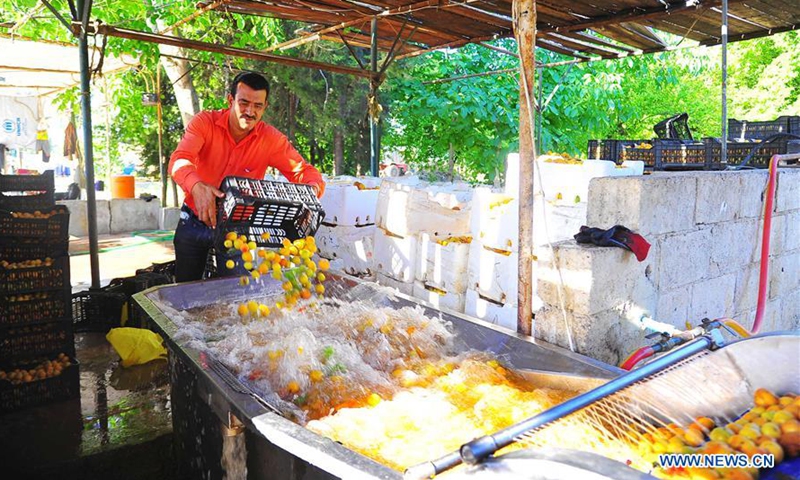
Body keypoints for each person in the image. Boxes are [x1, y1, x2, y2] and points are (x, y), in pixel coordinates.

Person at [169, 71, 325, 282]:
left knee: (236, 290)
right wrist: (196, 186)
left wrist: (311, 191)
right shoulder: (205, 122)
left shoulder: (271, 140)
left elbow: (304, 171)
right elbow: (180, 159)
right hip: (194, 220)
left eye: (258, 106)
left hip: (236, 229)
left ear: (265, 107)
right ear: (230, 100)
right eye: (243, 103)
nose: (250, 111)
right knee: (184, 292)